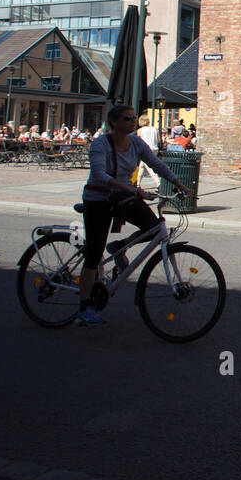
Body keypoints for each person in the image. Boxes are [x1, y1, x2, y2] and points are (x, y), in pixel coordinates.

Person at [75, 104, 188, 325]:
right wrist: (132, 189)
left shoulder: (136, 143)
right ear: (114, 122)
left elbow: (156, 164)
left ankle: (119, 246)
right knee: (94, 253)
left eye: (134, 118)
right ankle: (84, 306)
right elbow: (98, 174)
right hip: (98, 199)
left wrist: (179, 183)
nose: (132, 121)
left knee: (154, 228)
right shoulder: (101, 144)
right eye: (127, 118)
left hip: (124, 196)